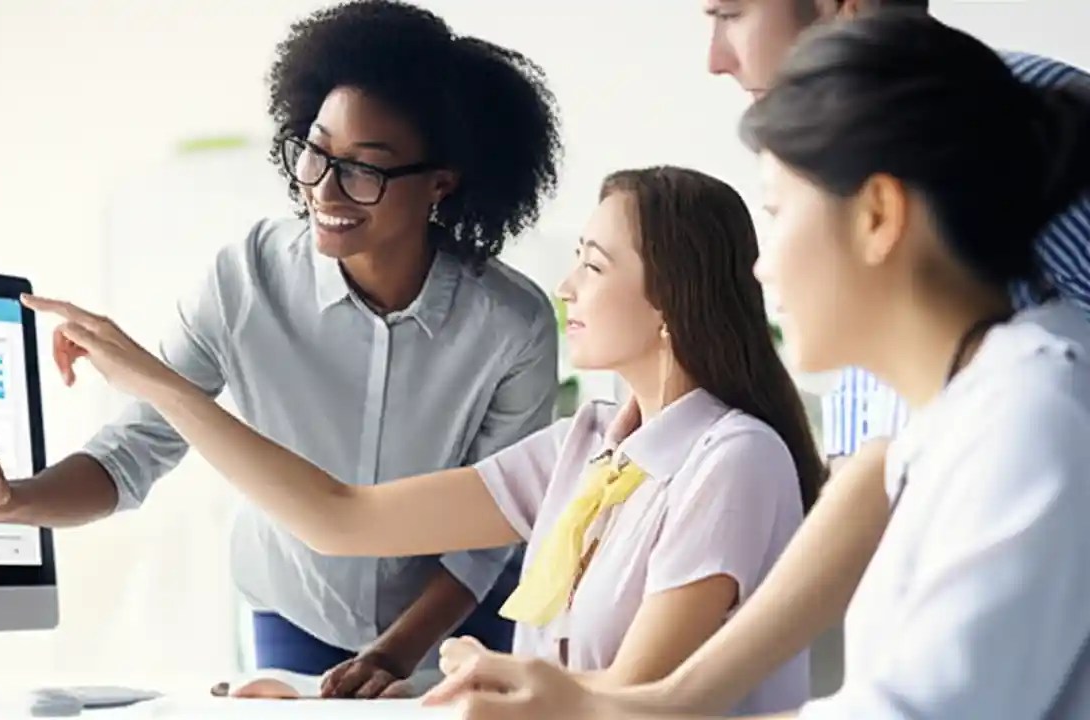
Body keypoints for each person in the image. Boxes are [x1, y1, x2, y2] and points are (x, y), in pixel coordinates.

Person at [0, 164, 826, 712]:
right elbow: (343, 519)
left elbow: (640, 702)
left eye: (593, 265)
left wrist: (467, 678)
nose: (566, 285)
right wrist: (160, 388)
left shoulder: (734, 460)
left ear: (672, 301)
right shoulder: (583, 448)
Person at [421, 11, 1090, 719]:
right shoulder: (970, 411)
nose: (760, 269)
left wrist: (606, 711)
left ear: (876, 216)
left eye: (775, 212)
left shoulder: (1031, 418)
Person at [0, 0, 563, 698]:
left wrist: (394, 655)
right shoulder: (245, 280)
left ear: (443, 181)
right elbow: (134, 454)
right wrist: (11, 501)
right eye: (316, 152)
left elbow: (491, 528)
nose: (325, 188)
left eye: (365, 169)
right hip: (294, 610)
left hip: (457, 614)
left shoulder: (511, 325)